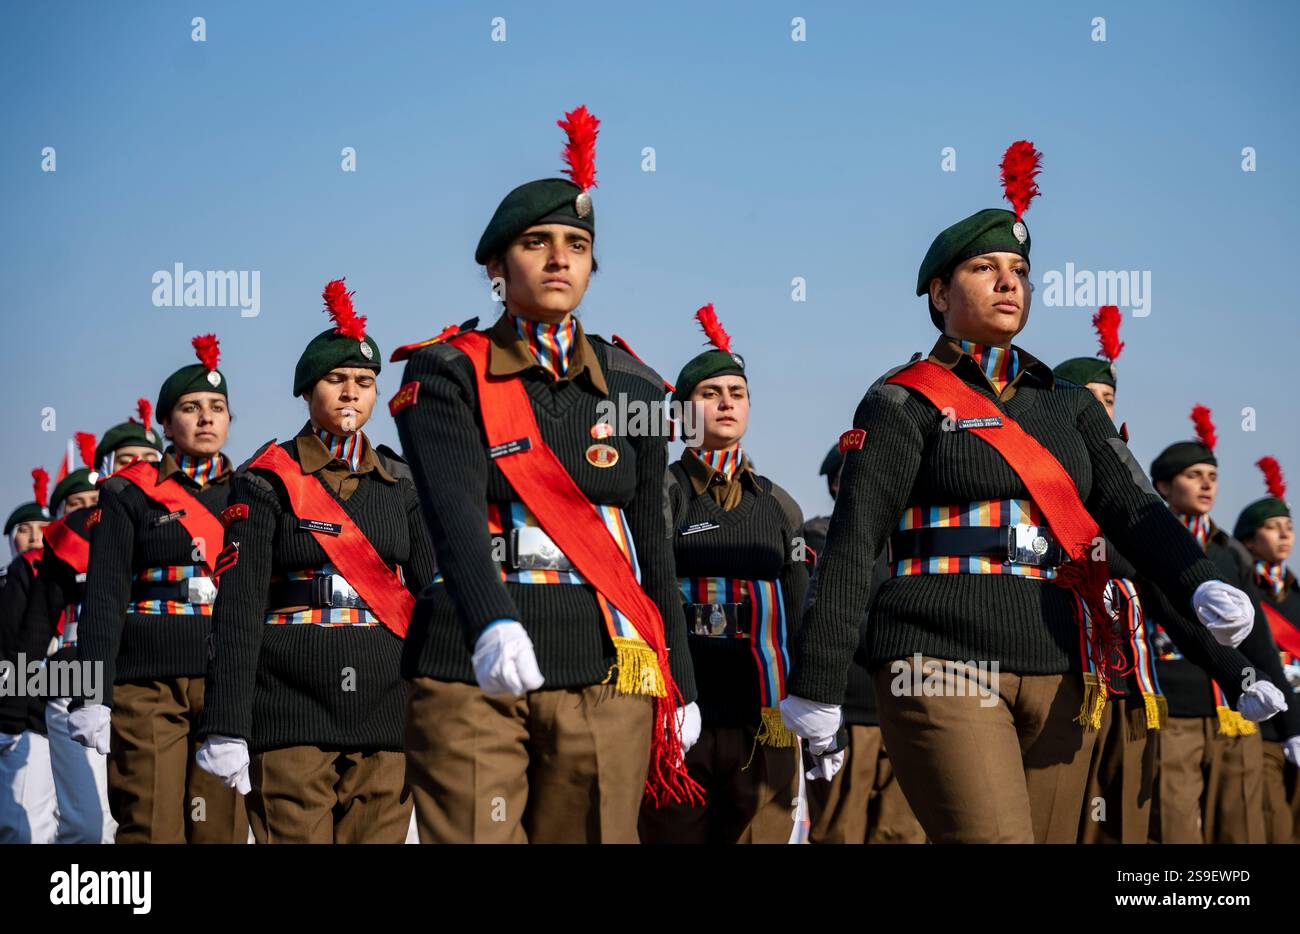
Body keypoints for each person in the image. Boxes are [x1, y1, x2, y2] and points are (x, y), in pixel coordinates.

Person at [780, 141, 1267, 843]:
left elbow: (1136, 509)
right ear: (940, 294)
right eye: (984, 269)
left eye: (1019, 271)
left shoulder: (1070, 406)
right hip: (936, 658)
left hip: (1060, 664)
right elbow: (856, 543)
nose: (1008, 282)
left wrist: (1196, 582)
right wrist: (819, 678)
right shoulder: (902, 401)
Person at [392, 105, 700, 843]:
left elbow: (654, 546)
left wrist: (680, 679)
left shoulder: (638, 391)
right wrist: (491, 621)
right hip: (472, 661)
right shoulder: (446, 374)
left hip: (604, 666)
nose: (560, 258)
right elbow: (453, 510)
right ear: (497, 268)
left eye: (577, 244)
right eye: (537, 243)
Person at [197, 280, 434, 844]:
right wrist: (227, 724)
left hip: (386, 712)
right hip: (289, 714)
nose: (351, 393)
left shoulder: (402, 483)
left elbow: (435, 598)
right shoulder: (264, 482)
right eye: (336, 380)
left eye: (365, 382)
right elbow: (240, 608)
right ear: (307, 390)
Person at [1057, 312, 1281, 844]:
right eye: (1087, 398)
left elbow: (1168, 603)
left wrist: (1240, 674)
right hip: (1053, 687)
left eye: (1108, 400)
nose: (1100, 410)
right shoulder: (1033, 490)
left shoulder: (1132, 516)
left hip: (1132, 696)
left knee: (1134, 835)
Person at [638, 304, 809, 844]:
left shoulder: (782, 505)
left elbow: (800, 609)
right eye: (710, 393)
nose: (727, 403)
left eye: (737, 393)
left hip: (765, 719)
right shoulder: (659, 494)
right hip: (681, 720)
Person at [69, 338, 247, 843]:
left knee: (219, 831)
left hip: (224, 681)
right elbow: (103, 596)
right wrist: (92, 692)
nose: (206, 418)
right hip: (145, 682)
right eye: (191, 408)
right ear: (166, 425)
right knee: (151, 825)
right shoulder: (127, 493)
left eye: (217, 408)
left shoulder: (252, 490)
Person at [1147, 407, 1300, 844]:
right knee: (1175, 829)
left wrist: (1290, 724)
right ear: (1162, 485)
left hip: (1235, 708)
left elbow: (1258, 640)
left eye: (1212, 475)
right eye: (1193, 475)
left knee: (1244, 829)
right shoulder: (1145, 540)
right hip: (1173, 705)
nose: (1207, 484)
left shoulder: (1230, 553)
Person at [800, 444, 925, 845]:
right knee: (841, 832)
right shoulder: (820, 538)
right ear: (839, 483)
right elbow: (831, 614)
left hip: (909, 711)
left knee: (902, 832)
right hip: (850, 716)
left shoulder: (909, 539)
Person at [1234, 456, 1300, 842]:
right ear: (1247, 538)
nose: (1284, 535)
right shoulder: (1243, 595)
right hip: (1264, 732)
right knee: (1271, 829)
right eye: (1272, 528)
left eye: (1289, 528)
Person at [0, 467, 56, 843]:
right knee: (22, 826)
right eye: (24, 529)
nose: (35, 537)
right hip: (20, 718)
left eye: (43, 528)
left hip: (70, 715)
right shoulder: (8, 583)